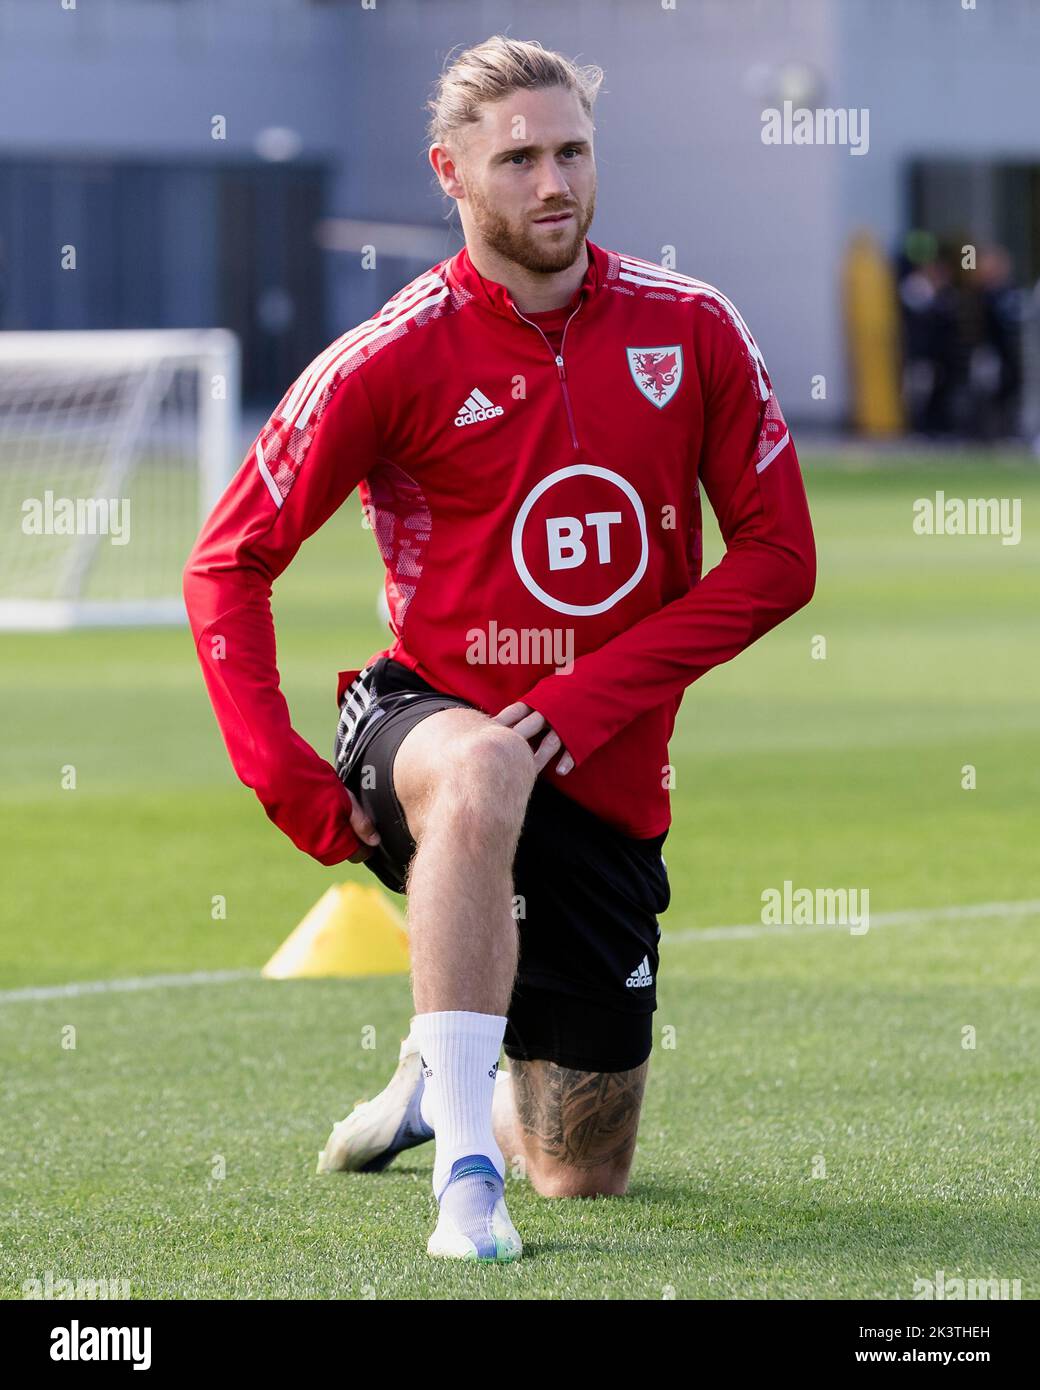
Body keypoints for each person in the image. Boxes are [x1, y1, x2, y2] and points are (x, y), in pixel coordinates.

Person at [183, 36, 816, 1262]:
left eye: (570, 150)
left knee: (583, 1168)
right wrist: (284, 777)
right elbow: (228, 559)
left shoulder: (690, 330)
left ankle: (441, 1081)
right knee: (479, 773)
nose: (551, 182)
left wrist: (589, 698)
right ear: (450, 174)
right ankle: (465, 1186)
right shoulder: (392, 353)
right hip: (425, 723)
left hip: (608, 772)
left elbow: (777, 559)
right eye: (516, 158)